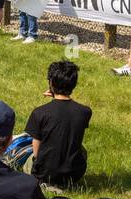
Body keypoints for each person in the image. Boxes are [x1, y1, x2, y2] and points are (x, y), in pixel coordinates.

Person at [25, 60, 92, 188]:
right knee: (81, 149)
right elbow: (65, 120)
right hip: (74, 174)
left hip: (43, 174)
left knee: (24, 150)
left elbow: (36, 153)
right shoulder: (85, 112)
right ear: (74, 84)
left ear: (50, 83)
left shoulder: (39, 113)